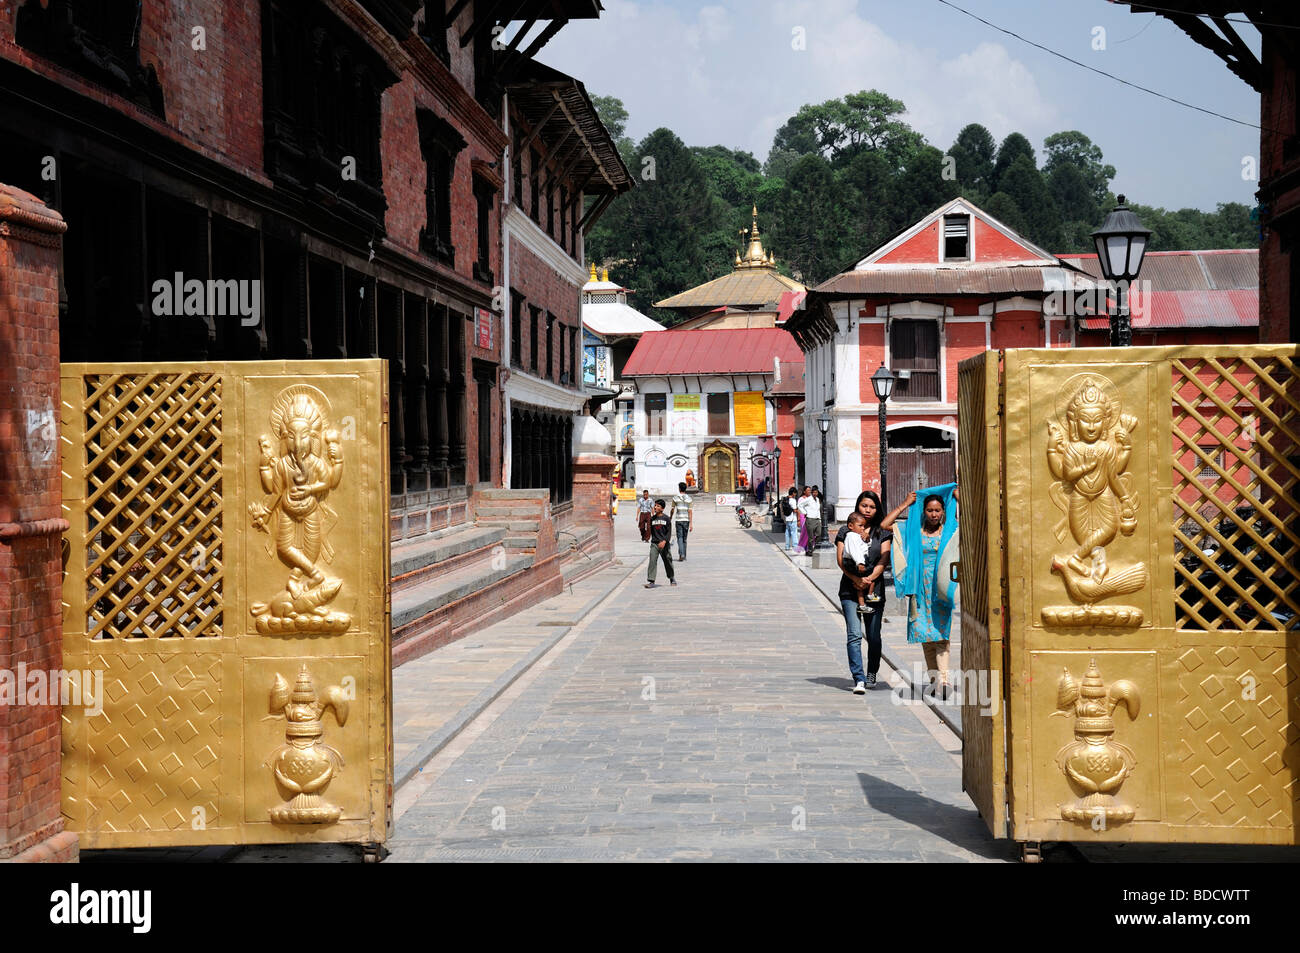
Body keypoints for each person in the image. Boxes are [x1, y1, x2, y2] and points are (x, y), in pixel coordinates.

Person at [887, 485, 959, 697]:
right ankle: (935, 680)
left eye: (937, 510)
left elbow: (973, 524)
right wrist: (905, 504)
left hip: (941, 588)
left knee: (941, 634)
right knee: (926, 636)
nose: (934, 514)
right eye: (930, 510)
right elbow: (885, 524)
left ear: (943, 512)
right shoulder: (914, 532)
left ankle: (944, 681)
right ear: (923, 511)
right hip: (919, 589)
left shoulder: (951, 530)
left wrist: (959, 498)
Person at [836, 490, 892, 692]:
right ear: (857, 506)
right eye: (864, 506)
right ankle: (858, 678)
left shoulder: (882, 532)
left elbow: (884, 559)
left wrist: (870, 578)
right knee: (854, 634)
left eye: (872, 507)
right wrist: (856, 579)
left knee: (874, 636)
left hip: (874, 589)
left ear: (877, 509)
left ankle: (872, 673)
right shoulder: (846, 530)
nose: (867, 510)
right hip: (849, 589)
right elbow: (841, 559)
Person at [645, 499, 676, 588]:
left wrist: (664, 541)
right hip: (654, 544)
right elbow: (650, 531)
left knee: (668, 561)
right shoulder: (652, 519)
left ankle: (671, 577)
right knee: (652, 560)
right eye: (655, 505)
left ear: (662, 509)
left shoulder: (666, 519)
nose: (655, 507)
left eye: (658, 506)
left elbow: (669, 532)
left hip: (664, 544)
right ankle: (651, 581)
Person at [670, 482, 693, 561]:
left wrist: (670, 517)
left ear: (679, 488)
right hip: (686, 520)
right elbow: (690, 511)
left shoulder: (675, 498)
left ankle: (681, 554)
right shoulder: (689, 499)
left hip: (678, 520)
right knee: (684, 539)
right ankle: (684, 555)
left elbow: (672, 509)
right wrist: (691, 524)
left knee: (679, 537)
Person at [798, 485, 821, 553]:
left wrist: (819, 519)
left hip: (817, 519)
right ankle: (809, 550)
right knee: (811, 537)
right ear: (812, 493)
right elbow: (799, 505)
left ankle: (815, 548)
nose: (815, 494)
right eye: (813, 492)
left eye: (816, 492)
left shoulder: (817, 499)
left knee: (819, 534)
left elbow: (818, 510)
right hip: (810, 519)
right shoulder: (808, 499)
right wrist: (804, 512)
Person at [781, 486, 799, 551]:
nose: (796, 494)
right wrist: (798, 511)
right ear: (793, 493)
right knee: (794, 533)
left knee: (787, 533)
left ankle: (787, 546)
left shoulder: (786, 499)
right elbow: (794, 510)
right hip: (792, 519)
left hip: (787, 518)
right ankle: (795, 546)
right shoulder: (793, 500)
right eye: (795, 493)